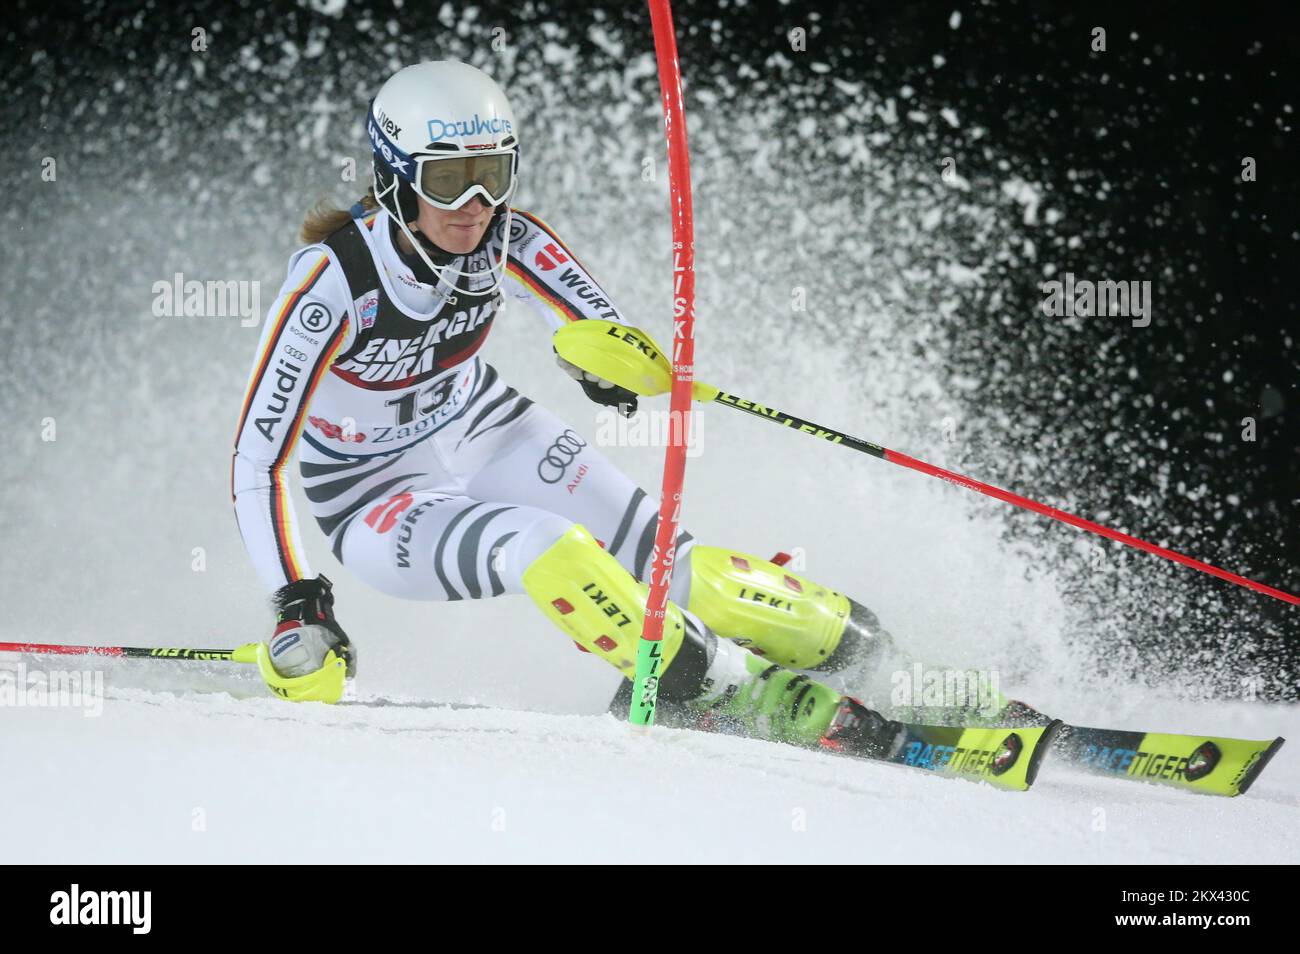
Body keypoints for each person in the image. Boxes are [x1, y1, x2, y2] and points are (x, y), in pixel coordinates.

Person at [231, 60, 926, 756]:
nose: (475, 203)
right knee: (547, 547)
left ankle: (879, 658)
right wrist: (297, 602)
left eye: (493, 174)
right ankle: (715, 688)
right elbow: (256, 462)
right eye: (448, 179)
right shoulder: (332, 285)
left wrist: (609, 361)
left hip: (487, 429)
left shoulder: (506, 235)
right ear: (393, 177)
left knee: (677, 571)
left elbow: (595, 323)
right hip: (376, 498)